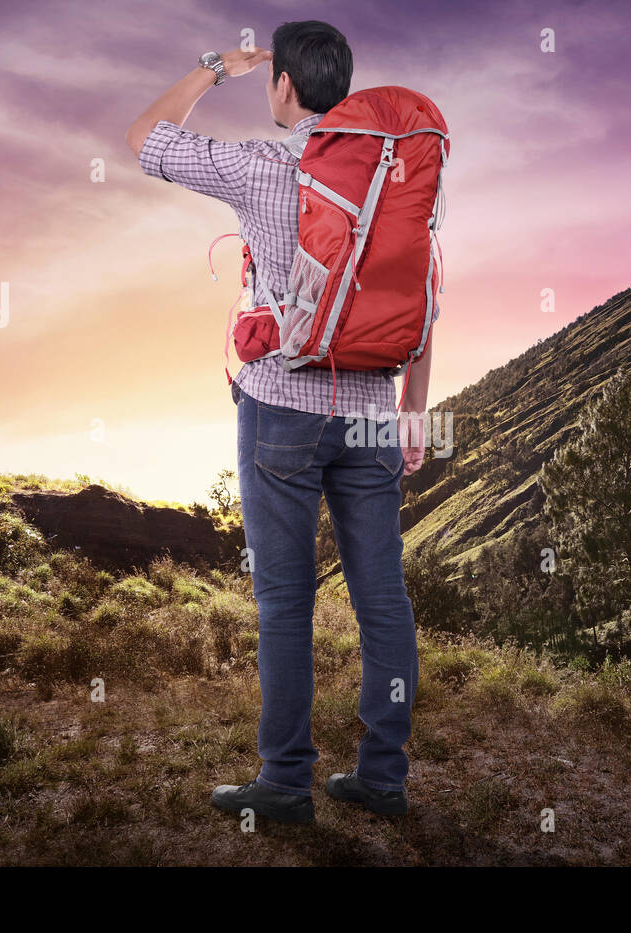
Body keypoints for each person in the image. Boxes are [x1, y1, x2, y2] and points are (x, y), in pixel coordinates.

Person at [127, 20, 436, 822]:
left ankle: (285, 781)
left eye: (271, 78)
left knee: (287, 604)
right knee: (382, 597)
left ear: (286, 86)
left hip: (282, 408)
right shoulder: (393, 175)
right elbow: (424, 293)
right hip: (375, 407)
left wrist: (212, 68)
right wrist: (413, 409)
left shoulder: (263, 165)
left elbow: (142, 138)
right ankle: (384, 776)